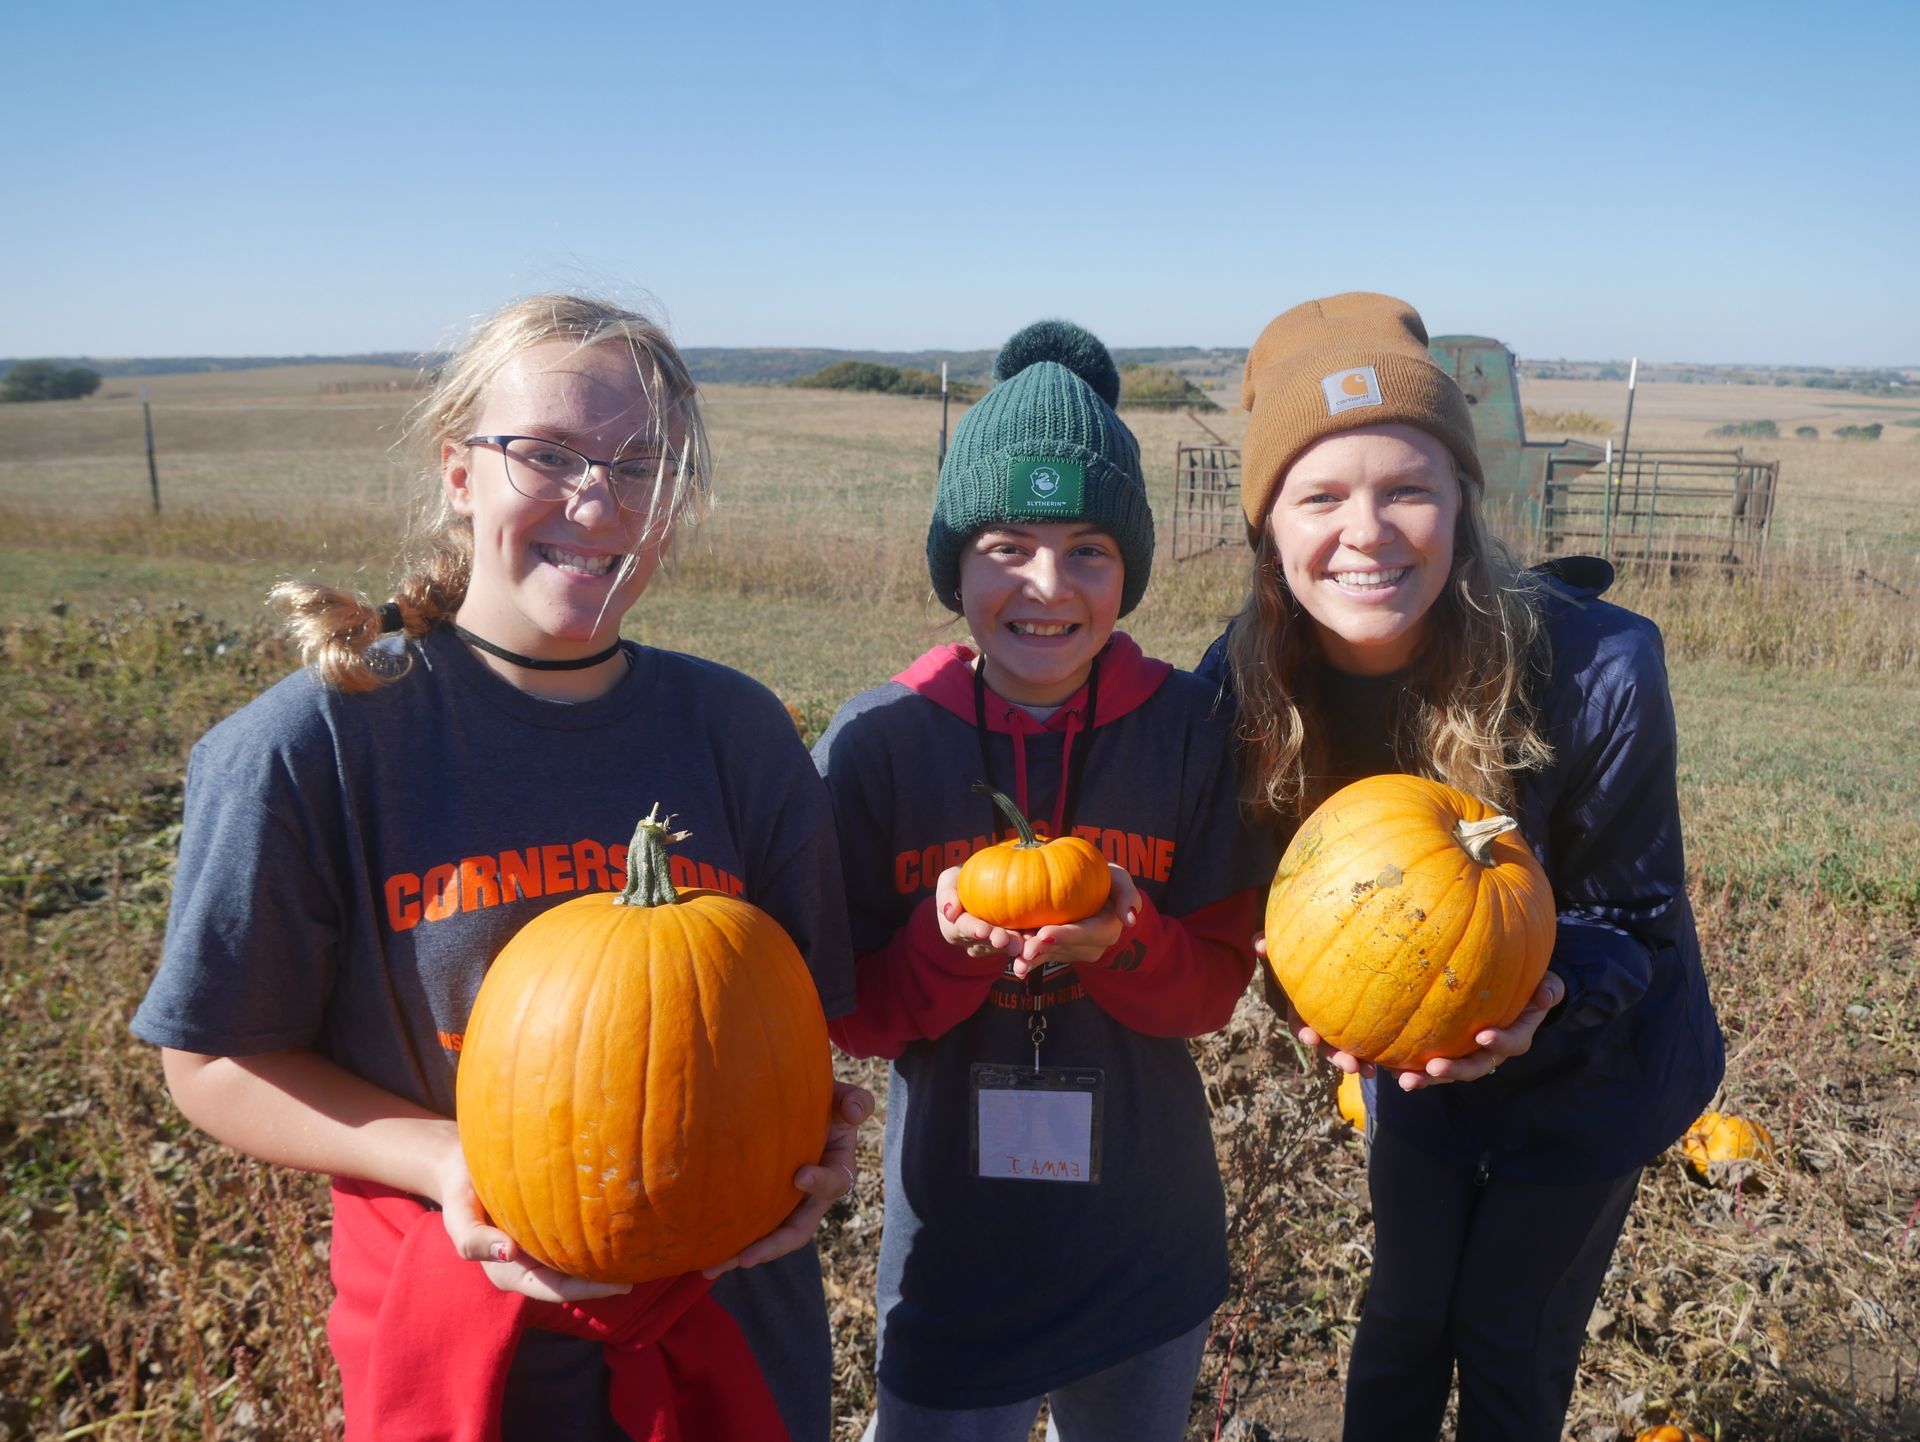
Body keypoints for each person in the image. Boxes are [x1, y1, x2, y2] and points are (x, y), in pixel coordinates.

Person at [131, 293, 870, 1442]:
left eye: (641, 463)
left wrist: (817, 1141)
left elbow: (782, 1026)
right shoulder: (315, 745)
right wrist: (448, 1160)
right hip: (462, 1352)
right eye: (550, 454)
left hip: (733, 1338)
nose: (598, 499)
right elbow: (214, 1058)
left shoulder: (739, 731)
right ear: (460, 471)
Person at [1202, 291, 1725, 1441]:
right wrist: (1310, 995)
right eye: (1322, 495)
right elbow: (1265, 897)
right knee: (1400, 1324)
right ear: (1269, 525)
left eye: (1409, 489)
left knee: (1508, 1339)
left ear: (1462, 504)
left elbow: (1636, 921)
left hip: (1597, 1069)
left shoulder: (1602, 668)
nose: (1368, 531)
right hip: (1413, 1047)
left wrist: (1538, 998)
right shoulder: (1240, 686)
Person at [813, 321, 1273, 1441]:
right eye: (1008, 544)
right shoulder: (880, 741)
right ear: (954, 559)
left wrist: (1126, 935)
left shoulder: (1188, 730)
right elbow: (853, 1009)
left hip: (1143, 1245)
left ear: (1132, 567)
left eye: (1089, 551)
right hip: (954, 1253)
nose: (1047, 586)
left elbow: (1212, 990)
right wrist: (939, 949)